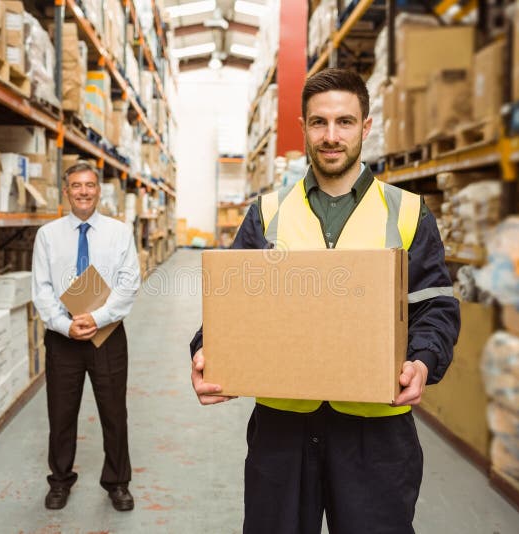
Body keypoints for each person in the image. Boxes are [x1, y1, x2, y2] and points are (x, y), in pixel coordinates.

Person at [190, 68, 461, 533]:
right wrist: (204, 349)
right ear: (303, 127)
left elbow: (434, 307)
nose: (331, 136)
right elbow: (232, 304)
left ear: (366, 126)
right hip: (284, 425)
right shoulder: (268, 213)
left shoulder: (408, 212)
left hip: (373, 429)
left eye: (344, 122)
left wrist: (422, 360)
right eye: (319, 123)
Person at [32, 160, 140, 511]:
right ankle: (60, 481)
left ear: (98, 190)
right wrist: (66, 325)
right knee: (61, 414)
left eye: (90, 185)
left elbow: (128, 284)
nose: (83, 191)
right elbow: (42, 289)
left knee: (114, 412)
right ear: (66, 191)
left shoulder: (119, 232)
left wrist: (96, 317)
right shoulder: (47, 236)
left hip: (107, 335)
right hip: (63, 338)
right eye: (76, 185)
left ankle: (117, 482)